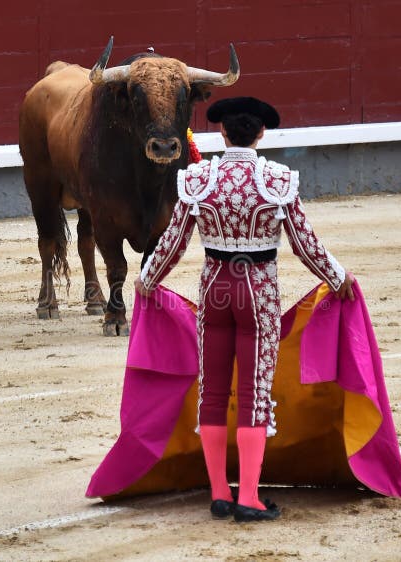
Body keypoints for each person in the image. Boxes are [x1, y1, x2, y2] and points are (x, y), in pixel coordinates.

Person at [134, 97, 355, 522]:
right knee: (254, 395)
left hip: (215, 289)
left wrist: (148, 280)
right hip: (258, 293)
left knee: (213, 392)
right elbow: (306, 247)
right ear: (260, 134)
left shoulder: (200, 179)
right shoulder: (275, 180)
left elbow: (174, 243)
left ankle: (220, 493)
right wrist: (338, 277)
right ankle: (249, 497)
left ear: (222, 133)